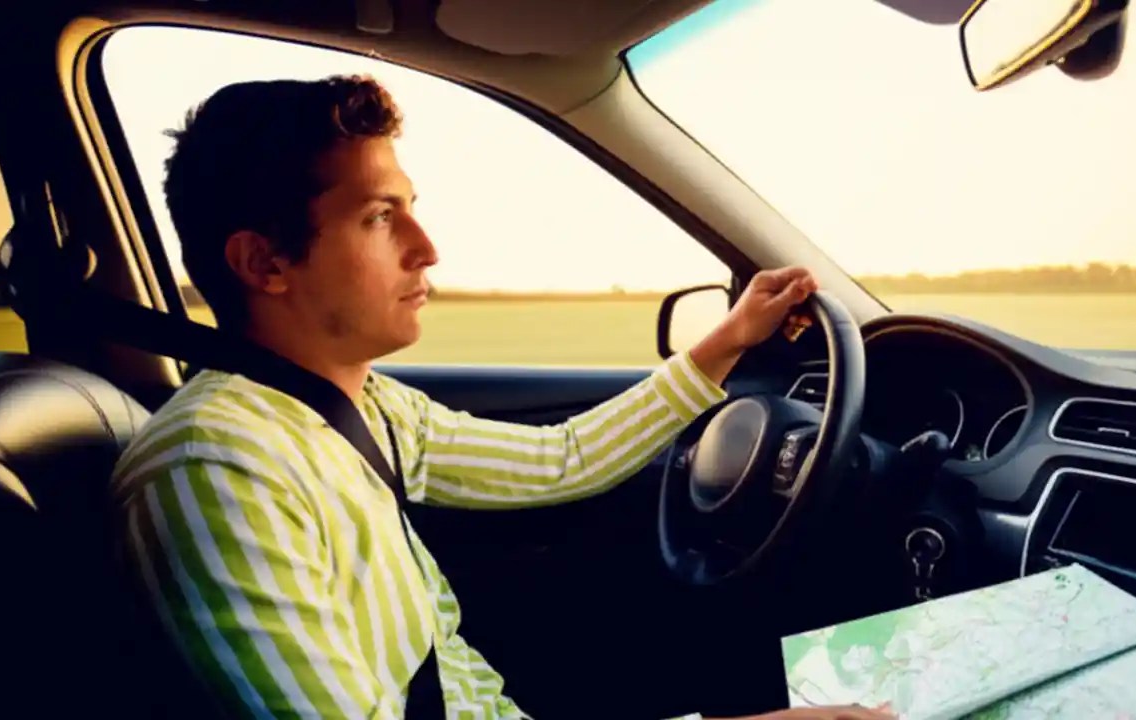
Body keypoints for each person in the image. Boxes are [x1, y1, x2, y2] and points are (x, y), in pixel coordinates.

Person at [110, 74, 894, 720]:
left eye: (410, 208)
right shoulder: (215, 470)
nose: (427, 248)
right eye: (381, 217)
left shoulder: (362, 407)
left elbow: (564, 459)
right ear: (264, 263)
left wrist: (728, 339)